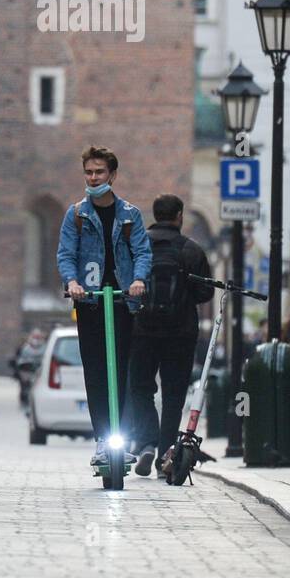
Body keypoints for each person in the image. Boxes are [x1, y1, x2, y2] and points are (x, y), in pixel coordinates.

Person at [56, 145, 151, 468]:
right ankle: (101, 438)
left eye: (99, 172)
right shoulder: (77, 214)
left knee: (121, 370)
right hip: (91, 302)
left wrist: (138, 280)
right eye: (89, 172)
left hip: (123, 301)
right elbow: (66, 253)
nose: (93, 178)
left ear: (112, 175)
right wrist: (72, 282)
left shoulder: (130, 215)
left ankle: (120, 437)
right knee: (96, 370)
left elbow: (143, 252)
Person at [127, 194, 212, 476]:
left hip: (142, 331)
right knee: (174, 394)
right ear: (179, 216)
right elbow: (205, 293)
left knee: (140, 389)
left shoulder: (137, 247)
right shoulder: (192, 250)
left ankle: (147, 441)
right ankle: (166, 456)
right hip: (181, 334)